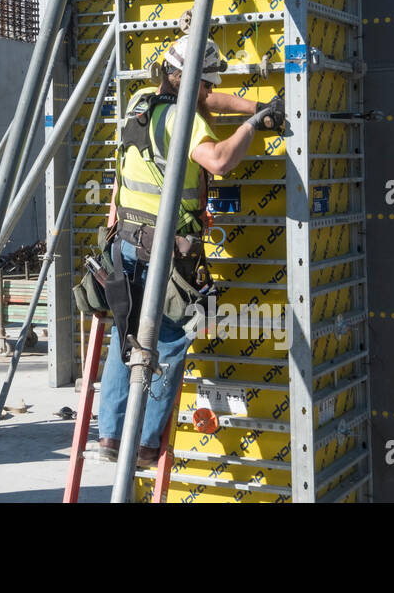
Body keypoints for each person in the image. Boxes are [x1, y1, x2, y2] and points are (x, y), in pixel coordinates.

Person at [95, 34, 283, 466]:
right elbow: (217, 159)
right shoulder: (183, 119)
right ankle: (144, 444)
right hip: (165, 252)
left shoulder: (142, 100)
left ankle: (109, 435)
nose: (210, 94)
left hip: (126, 240)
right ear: (192, 80)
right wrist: (252, 127)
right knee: (170, 339)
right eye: (206, 84)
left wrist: (258, 108)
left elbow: (210, 102)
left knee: (125, 338)